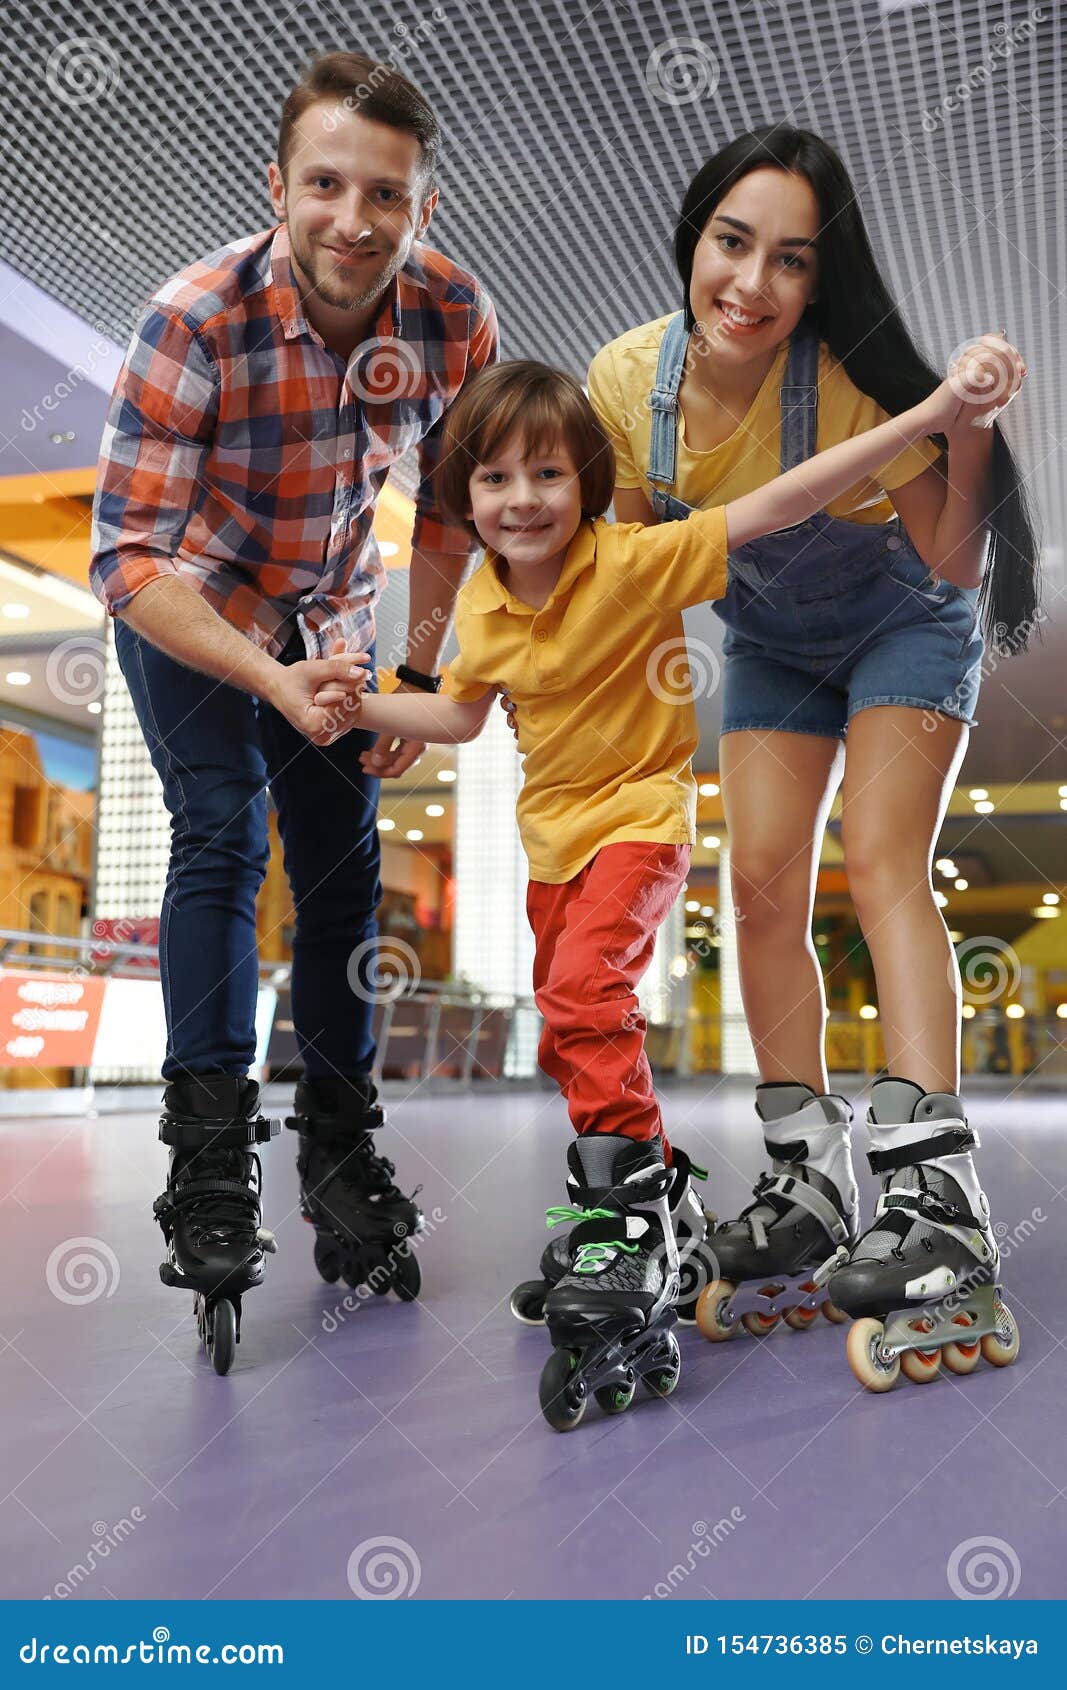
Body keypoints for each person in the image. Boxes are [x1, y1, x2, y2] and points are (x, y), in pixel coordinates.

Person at [311, 345, 1012, 1423]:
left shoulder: (634, 558)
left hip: (638, 824)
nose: (521, 499)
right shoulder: (484, 605)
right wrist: (352, 703)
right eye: (494, 478)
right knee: (566, 1020)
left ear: (587, 481)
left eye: (548, 473)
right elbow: (455, 713)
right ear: (461, 497)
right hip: (552, 845)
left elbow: (782, 499)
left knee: (586, 994)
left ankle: (627, 1210)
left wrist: (924, 417)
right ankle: (656, 1200)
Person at [585, 125, 1035, 1387]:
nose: (751, 284)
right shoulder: (625, 384)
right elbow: (630, 578)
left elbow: (951, 559)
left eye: (789, 260)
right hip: (773, 641)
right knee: (759, 877)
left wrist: (966, 429)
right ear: (693, 238)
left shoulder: (843, 383)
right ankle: (807, 1183)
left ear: (817, 278)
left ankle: (935, 1194)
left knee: (878, 859)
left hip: (905, 618)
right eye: (731, 243)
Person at [89, 50, 498, 1371]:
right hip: (195, 601)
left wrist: (414, 676)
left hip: (332, 609)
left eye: (385, 195)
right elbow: (127, 557)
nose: (353, 220)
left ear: (422, 206)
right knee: (221, 827)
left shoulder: (450, 314)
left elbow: (450, 512)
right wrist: (265, 677)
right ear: (278, 187)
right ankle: (210, 1165)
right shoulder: (194, 320)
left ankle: (335, 1151)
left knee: (341, 872)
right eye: (325, 185)